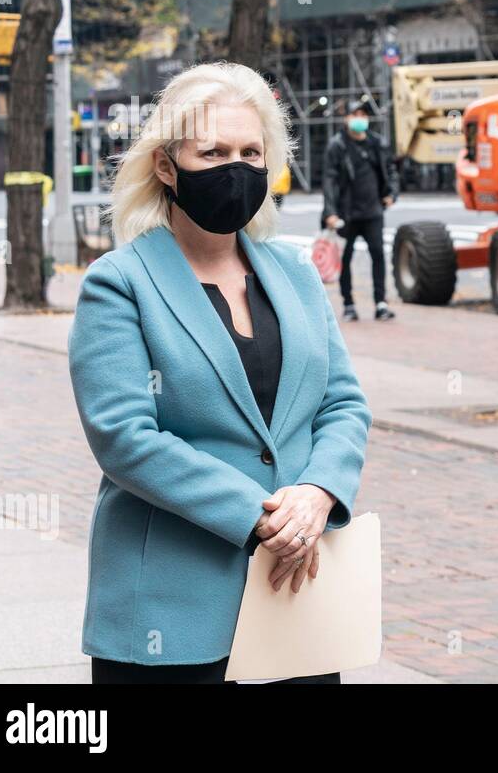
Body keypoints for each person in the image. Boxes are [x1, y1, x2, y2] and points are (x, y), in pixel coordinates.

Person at [69, 62, 372, 684]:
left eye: (250, 151)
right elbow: (126, 439)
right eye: (212, 151)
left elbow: (341, 405)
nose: (236, 167)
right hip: (172, 614)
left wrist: (318, 494)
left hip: (294, 601)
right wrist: (260, 517)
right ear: (165, 166)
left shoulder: (294, 275)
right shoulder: (120, 283)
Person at [322, 101, 400, 322]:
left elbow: (391, 170)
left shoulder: (378, 143)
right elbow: (329, 180)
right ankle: (348, 304)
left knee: (378, 255)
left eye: (363, 114)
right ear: (346, 118)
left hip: (373, 211)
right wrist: (330, 211)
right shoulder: (337, 145)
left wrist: (392, 194)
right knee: (344, 259)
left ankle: (381, 303)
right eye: (355, 114)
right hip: (346, 214)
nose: (360, 118)